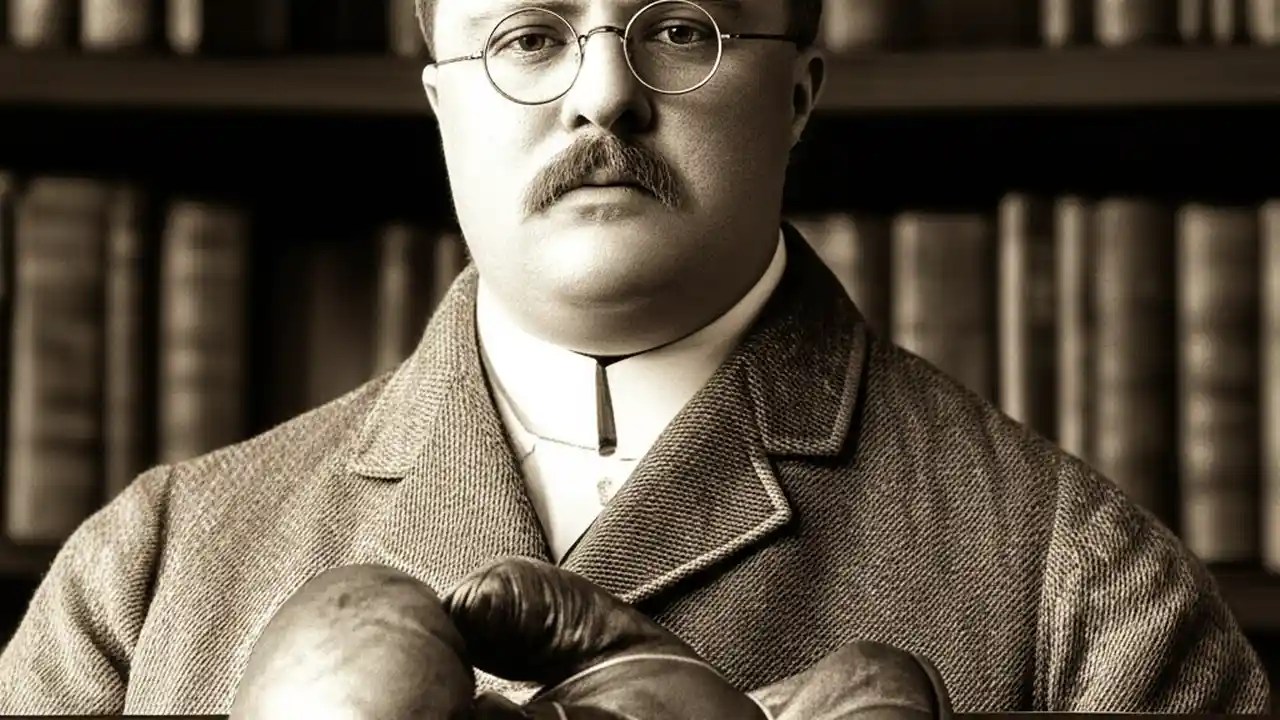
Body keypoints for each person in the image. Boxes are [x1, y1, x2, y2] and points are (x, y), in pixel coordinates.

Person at [0, 0, 1271, 714]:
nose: (603, 93)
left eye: (679, 27)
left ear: (799, 93)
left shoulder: (1081, 586)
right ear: (441, 102)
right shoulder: (146, 576)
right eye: (532, 36)